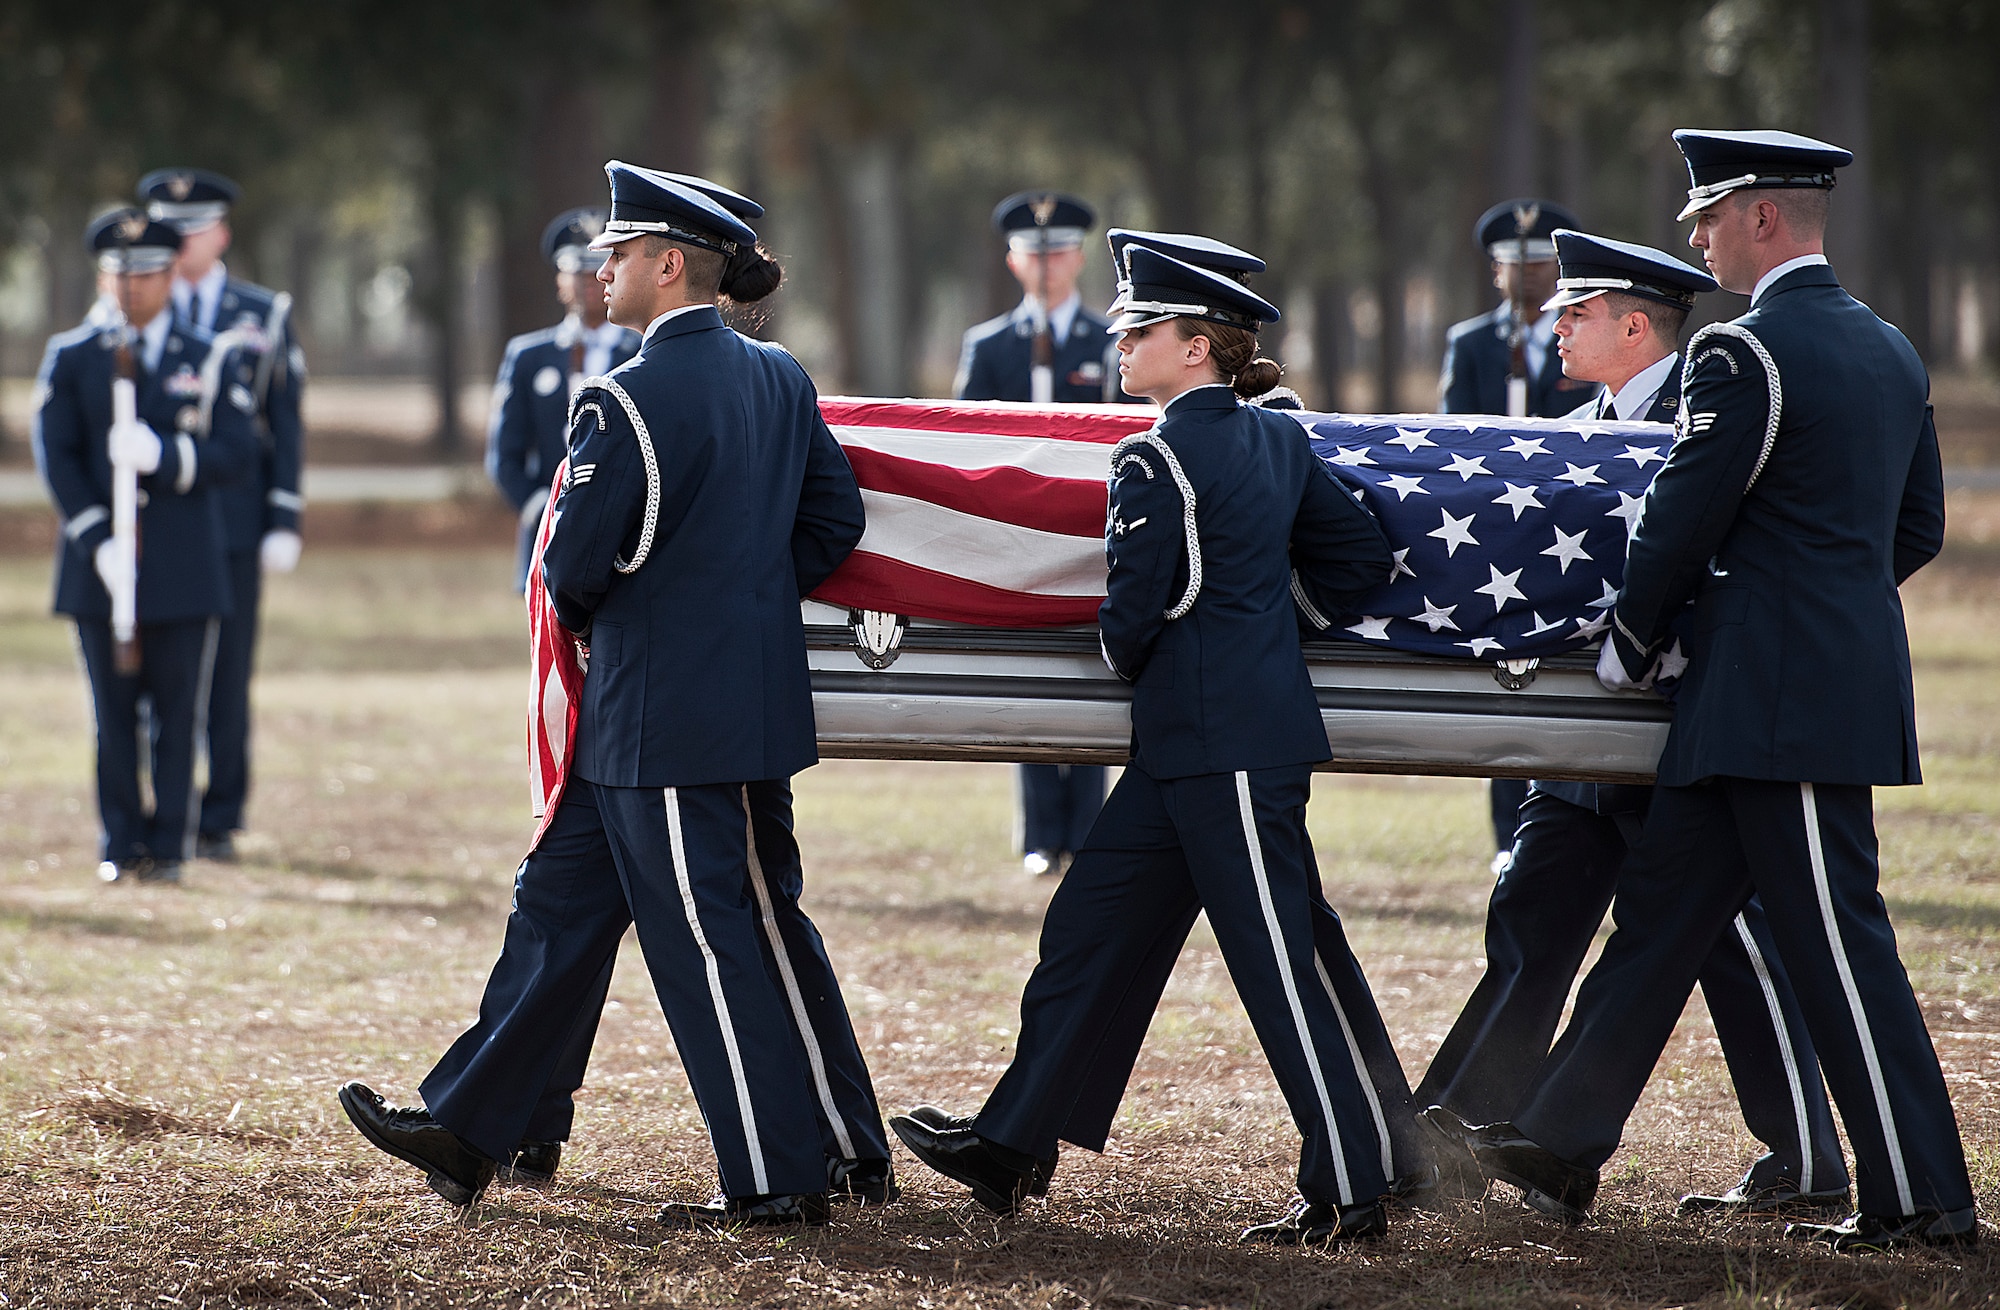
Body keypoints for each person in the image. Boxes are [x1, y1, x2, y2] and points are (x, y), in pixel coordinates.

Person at [339, 162, 888, 1230]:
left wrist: (665, 609)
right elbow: (834, 522)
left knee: (708, 941)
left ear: (669, 265)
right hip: (714, 705)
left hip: (661, 713)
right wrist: (738, 598)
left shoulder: (626, 396)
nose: (601, 269)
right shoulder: (780, 377)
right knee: (559, 905)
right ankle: (469, 1123)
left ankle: (777, 1179)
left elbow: (574, 563)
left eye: (620, 252)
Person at [1462, 129, 1975, 1253]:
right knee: (1658, 920)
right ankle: (1557, 1137)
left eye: (1706, 217)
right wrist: (1822, 610)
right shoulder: (1890, 347)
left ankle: (1923, 1197)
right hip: (1779, 691)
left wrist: (1635, 638)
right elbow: (1917, 527)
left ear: (1759, 217)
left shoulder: (1743, 355)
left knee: (1839, 945)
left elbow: (1681, 516)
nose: (1695, 239)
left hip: (1771, 702)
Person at [899, 227, 1438, 1206]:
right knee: (1087, 928)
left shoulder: (1155, 458)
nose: (1121, 341)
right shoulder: (1278, 437)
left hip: (1220, 746)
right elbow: (1355, 557)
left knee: (1279, 967)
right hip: (1196, 748)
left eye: (1139, 328)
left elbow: (1134, 616)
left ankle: (1354, 1185)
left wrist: (1207, 637)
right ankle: (1011, 1140)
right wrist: (1268, 623)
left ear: (1195, 347)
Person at [1418, 228, 1850, 1218]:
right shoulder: (1576, 427)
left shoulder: (1708, 414)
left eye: (1574, 313)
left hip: (1676, 732)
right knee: (1532, 917)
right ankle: (1447, 1140)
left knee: (1728, 945)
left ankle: (1806, 1156)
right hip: (1580, 738)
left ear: (1633, 326)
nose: (1553, 326)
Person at [33, 208, 260, 884]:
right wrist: (96, 537)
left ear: (170, 276)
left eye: (148, 274)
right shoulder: (74, 356)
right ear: (104, 279)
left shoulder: (209, 354)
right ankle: (119, 841)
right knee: (112, 716)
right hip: (99, 568)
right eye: (119, 275)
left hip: (184, 565)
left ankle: (170, 846)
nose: (132, 288)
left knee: (177, 713)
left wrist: (167, 455)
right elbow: (57, 456)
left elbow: (237, 452)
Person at [137, 169, 305, 864]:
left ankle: (221, 815)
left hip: (234, 521)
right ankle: (157, 809)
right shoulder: (134, 305)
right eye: (169, 227)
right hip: (158, 520)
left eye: (194, 227)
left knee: (228, 675)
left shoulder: (262, 314)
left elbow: (283, 422)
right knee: (154, 672)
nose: (181, 240)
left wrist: (283, 517)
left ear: (223, 234)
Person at [956, 190, 1117, 877]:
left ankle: (1087, 829)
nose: (1048, 266)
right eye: (1035, 255)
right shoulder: (989, 345)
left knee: (1093, 673)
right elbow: (964, 442)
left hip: (1093, 532)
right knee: (1026, 673)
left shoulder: (1111, 343)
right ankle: (1041, 832)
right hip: (1016, 533)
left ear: (1077, 259)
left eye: (1059, 254)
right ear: (1014, 262)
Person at [1439, 198, 1596, 877]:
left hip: (1572, 534)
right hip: (1497, 540)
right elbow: (1450, 439)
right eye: (1514, 264)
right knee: (1503, 678)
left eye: (1541, 266)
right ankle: (1511, 835)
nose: (1528, 277)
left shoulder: (1584, 340)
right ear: (1495, 271)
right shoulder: (1473, 343)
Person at [487, 208, 641, 591]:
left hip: (624, 537)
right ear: (560, 280)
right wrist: (539, 507)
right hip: (548, 532)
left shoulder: (641, 353)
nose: (587, 283)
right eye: (576, 273)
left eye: (595, 271)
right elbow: (505, 455)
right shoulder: (528, 356)